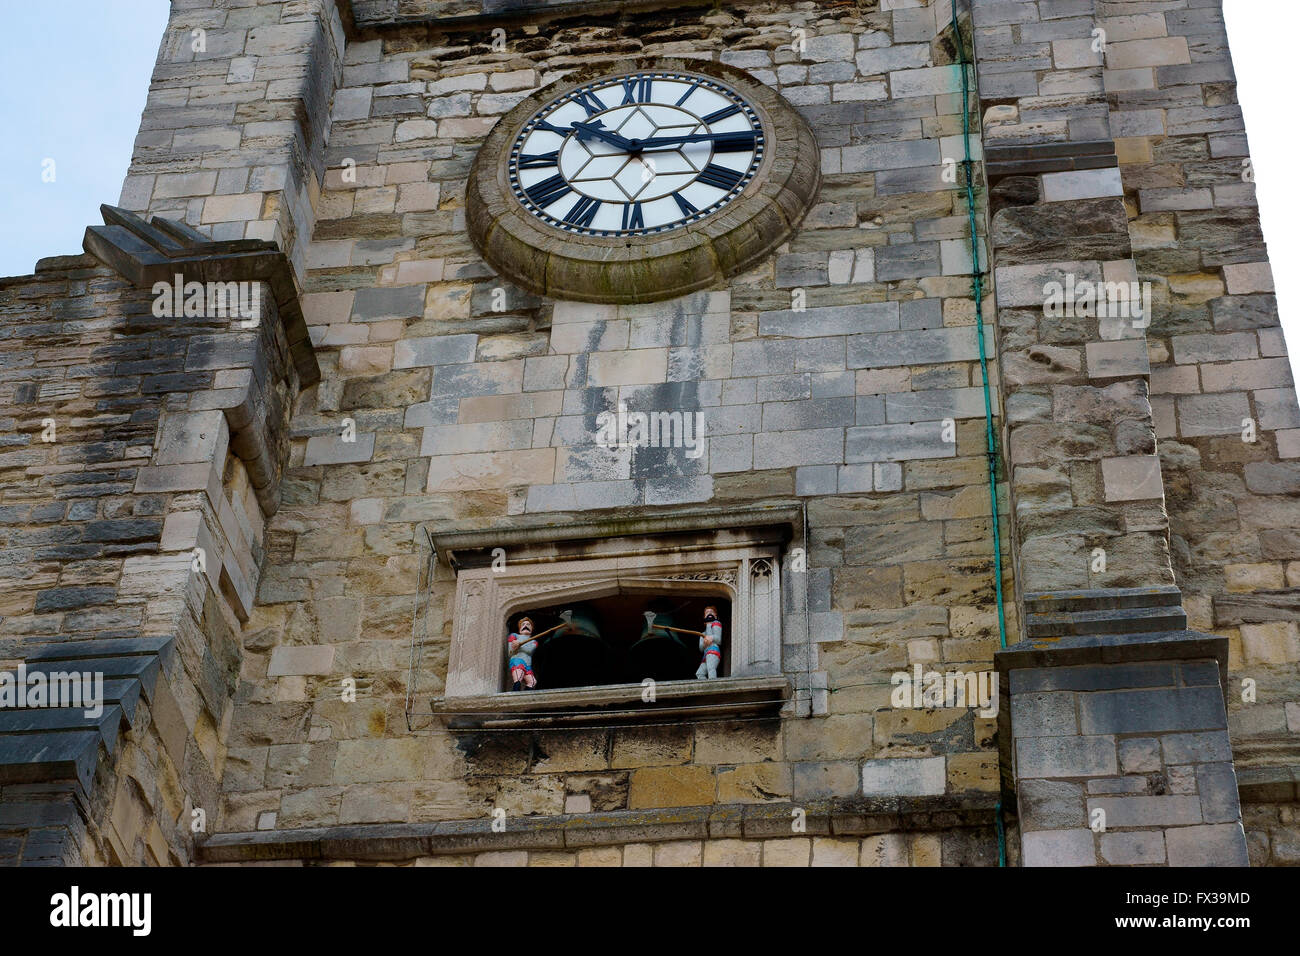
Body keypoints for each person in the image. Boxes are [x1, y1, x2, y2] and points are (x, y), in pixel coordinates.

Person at [508, 617, 539, 690]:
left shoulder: (534, 641)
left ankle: (525, 694)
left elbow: (529, 650)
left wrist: (519, 644)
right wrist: (514, 646)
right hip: (517, 660)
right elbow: (510, 651)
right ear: (519, 629)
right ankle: (515, 693)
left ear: (532, 629)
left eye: (528, 624)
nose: (526, 626)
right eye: (523, 624)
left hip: (527, 664)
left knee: (532, 682)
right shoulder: (514, 636)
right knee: (519, 676)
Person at [696, 606, 723, 679]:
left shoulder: (716, 623)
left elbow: (718, 639)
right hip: (706, 655)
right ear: (704, 617)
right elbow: (701, 648)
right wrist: (705, 642)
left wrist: (711, 638)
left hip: (713, 650)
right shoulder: (703, 634)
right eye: (707, 612)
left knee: (711, 669)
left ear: (716, 616)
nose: (709, 613)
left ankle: (713, 685)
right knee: (700, 673)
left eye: (712, 612)